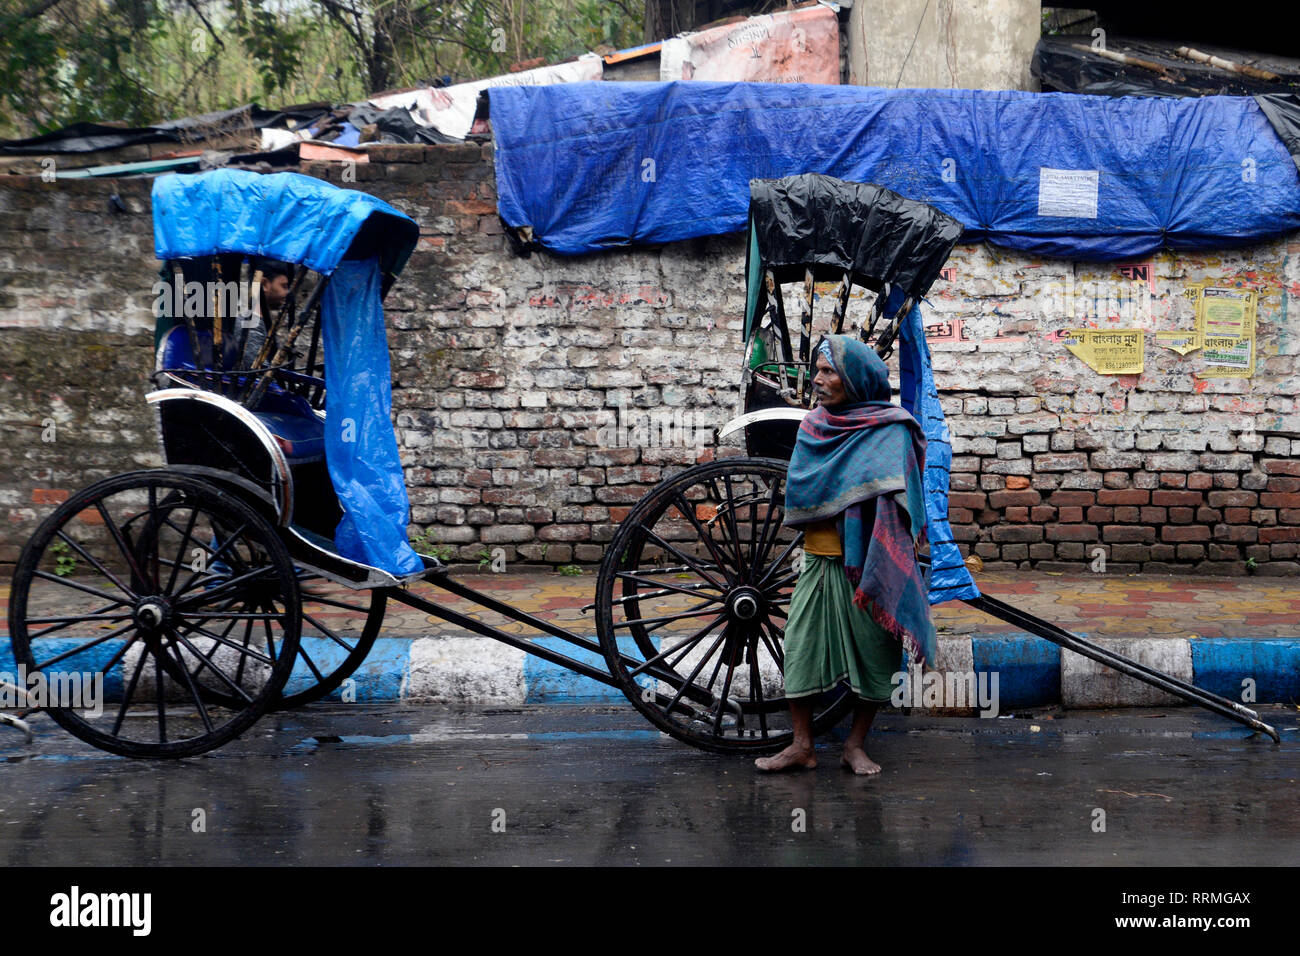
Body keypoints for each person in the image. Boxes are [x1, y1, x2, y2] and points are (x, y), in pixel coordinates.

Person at [755, 333, 937, 775]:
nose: (816, 380)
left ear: (853, 378)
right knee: (800, 649)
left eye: (827, 371)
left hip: (872, 561)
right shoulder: (815, 425)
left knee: (876, 656)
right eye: (816, 370)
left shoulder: (892, 429)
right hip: (820, 558)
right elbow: (803, 486)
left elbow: (907, 496)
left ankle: (855, 745)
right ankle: (802, 745)